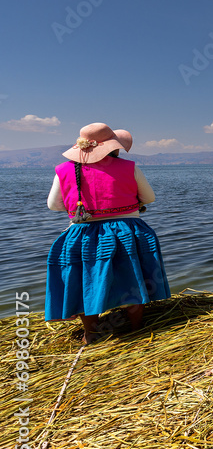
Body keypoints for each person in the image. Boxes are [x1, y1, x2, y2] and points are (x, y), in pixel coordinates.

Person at [45, 123, 170, 344]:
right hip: (127, 231)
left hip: (83, 235)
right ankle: (136, 327)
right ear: (114, 147)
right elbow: (149, 198)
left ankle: (91, 333)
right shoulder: (129, 167)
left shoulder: (63, 169)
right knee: (133, 276)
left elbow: (54, 205)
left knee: (87, 281)